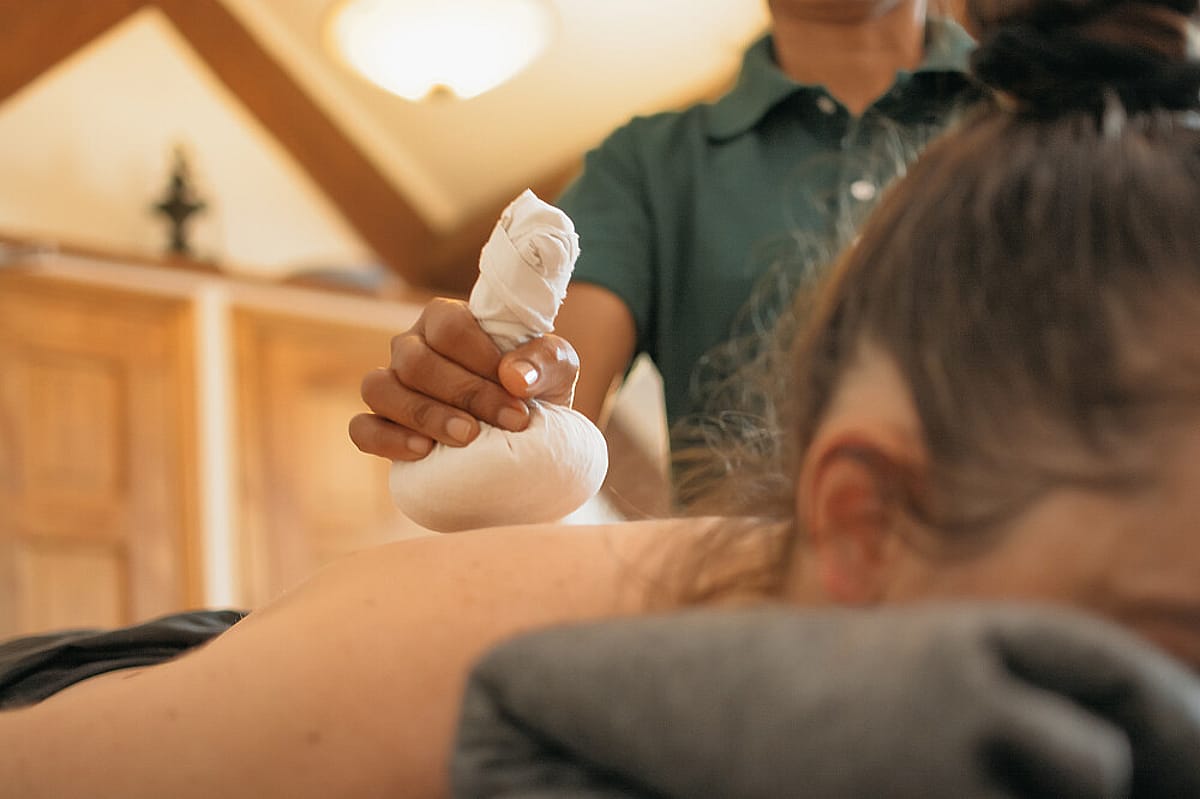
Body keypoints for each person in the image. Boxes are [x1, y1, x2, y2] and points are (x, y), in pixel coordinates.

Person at [4, 0, 1200, 796]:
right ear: (860, 512)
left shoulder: (1085, 122)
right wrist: (506, 387)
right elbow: (548, 379)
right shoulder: (656, 161)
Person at [348, 0, 978, 487]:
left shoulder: (1053, 120)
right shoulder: (646, 167)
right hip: (744, 620)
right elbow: (546, 393)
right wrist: (490, 400)